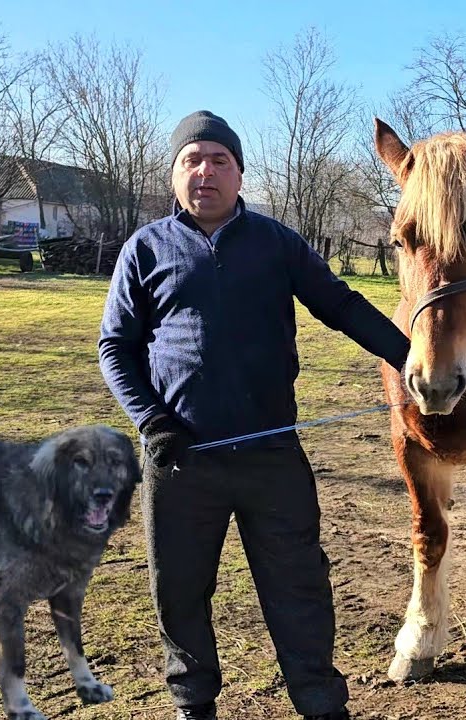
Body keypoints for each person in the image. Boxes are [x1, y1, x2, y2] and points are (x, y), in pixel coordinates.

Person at [99, 110, 409, 720]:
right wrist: (152, 422)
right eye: (193, 160)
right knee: (180, 590)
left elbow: (341, 306)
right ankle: (194, 703)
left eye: (219, 160)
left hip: (272, 457)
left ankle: (320, 703)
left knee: (299, 587)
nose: (206, 172)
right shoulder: (146, 248)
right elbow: (116, 346)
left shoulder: (276, 242)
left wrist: (413, 359)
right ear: (174, 175)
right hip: (180, 459)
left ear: (240, 174)